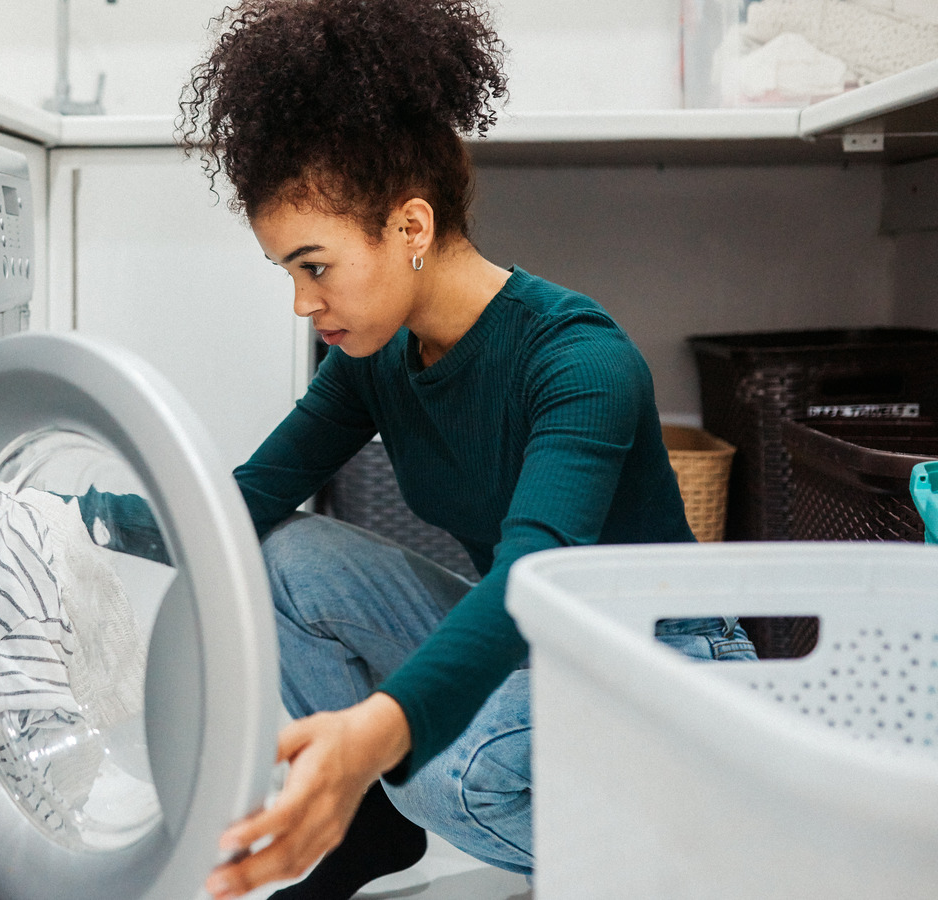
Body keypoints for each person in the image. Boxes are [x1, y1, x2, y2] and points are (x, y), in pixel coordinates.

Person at [168, 1, 759, 898]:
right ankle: (371, 834)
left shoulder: (580, 360)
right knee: (285, 557)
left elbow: (530, 581)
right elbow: (243, 500)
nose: (302, 303)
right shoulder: (377, 359)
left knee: (446, 770)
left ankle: (678, 867)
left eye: (314, 265)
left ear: (410, 228)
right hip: (541, 655)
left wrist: (375, 735)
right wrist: (73, 517)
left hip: (667, 665)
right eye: (288, 272)